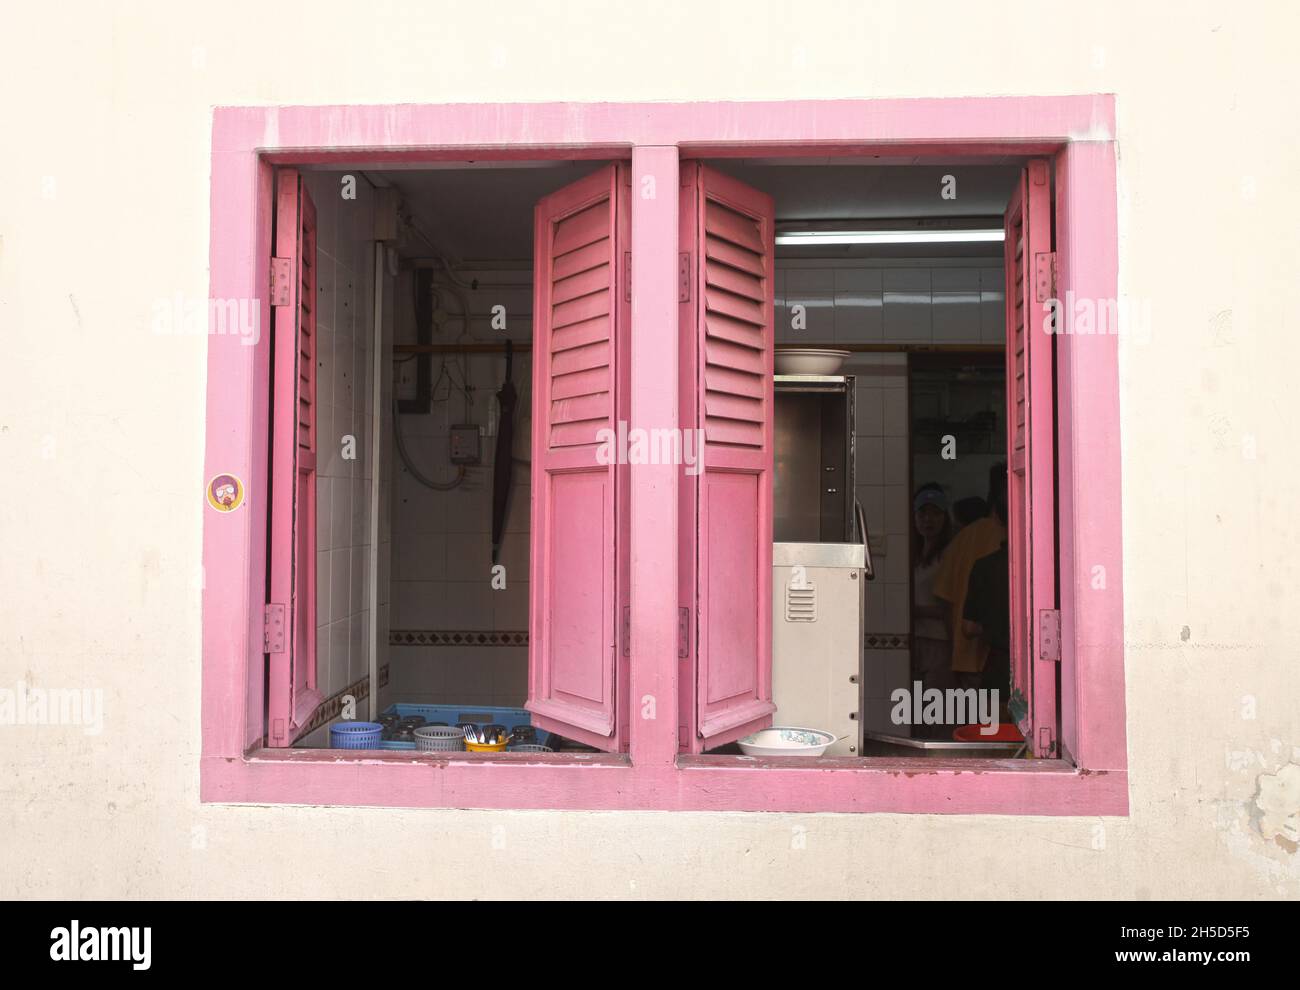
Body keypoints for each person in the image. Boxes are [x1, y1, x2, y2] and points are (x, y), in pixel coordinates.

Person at [932, 463, 1007, 689]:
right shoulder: (1015, 540)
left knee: (975, 723)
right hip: (1002, 658)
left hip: (965, 658)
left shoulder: (964, 538)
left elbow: (944, 599)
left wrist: (954, 646)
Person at [962, 479, 1010, 701]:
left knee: (995, 734)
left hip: (999, 671)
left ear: (997, 518)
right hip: (1049, 675)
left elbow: (969, 628)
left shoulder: (985, 567)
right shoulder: (1050, 566)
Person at [911, 484, 954, 712]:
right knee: (913, 706)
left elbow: (952, 604)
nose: (928, 519)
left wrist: (917, 611)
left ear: (945, 518)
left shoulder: (950, 554)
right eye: (923, 513)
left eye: (935, 513)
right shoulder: (912, 554)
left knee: (935, 707)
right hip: (914, 639)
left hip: (940, 641)